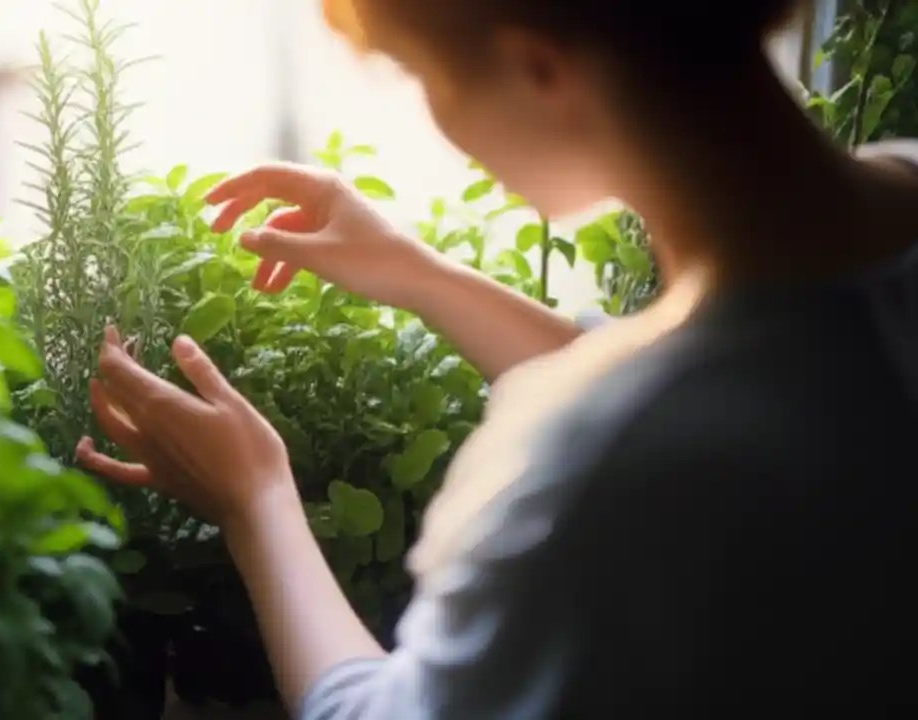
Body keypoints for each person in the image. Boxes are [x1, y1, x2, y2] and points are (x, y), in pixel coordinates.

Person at [75, 0, 918, 716]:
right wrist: (417, 273)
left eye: (422, 77)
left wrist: (255, 500)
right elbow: (753, 366)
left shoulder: (595, 481)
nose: (433, 115)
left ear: (540, 68)